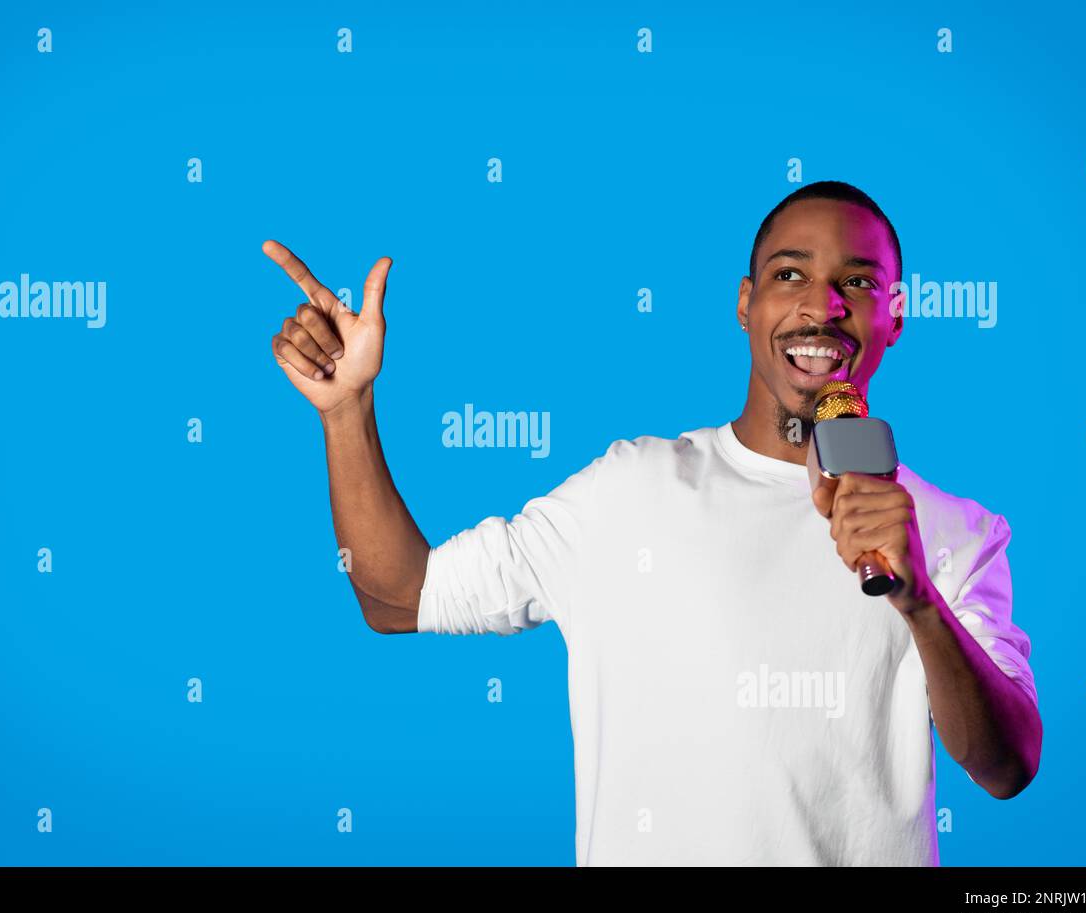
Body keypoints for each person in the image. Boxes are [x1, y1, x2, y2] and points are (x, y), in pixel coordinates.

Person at [262, 180, 1042, 866]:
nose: (822, 304)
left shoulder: (957, 533)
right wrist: (348, 411)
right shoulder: (630, 490)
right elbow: (399, 597)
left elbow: (1008, 766)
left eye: (859, 282)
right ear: (746, 305)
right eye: (790, 274)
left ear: (895, 315)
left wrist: (918, 604)